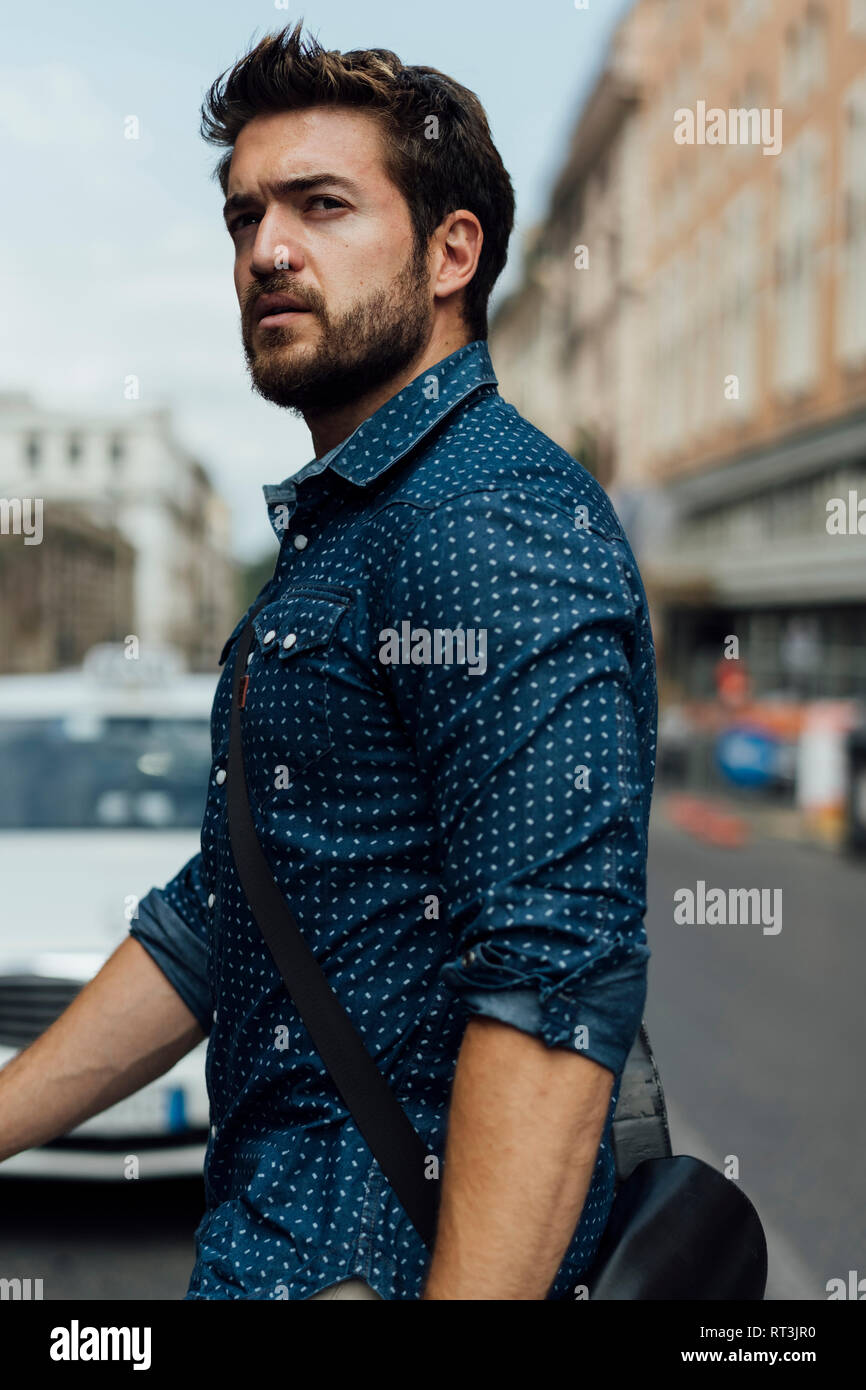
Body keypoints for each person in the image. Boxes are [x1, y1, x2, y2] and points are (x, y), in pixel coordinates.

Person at [0, 22, 657, 1301]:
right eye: (245, 217)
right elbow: (224, 917)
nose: (265, 251)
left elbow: (550, 996)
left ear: (451, 251)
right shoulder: (355, 527)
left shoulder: (485, 520)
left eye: (320, 205)